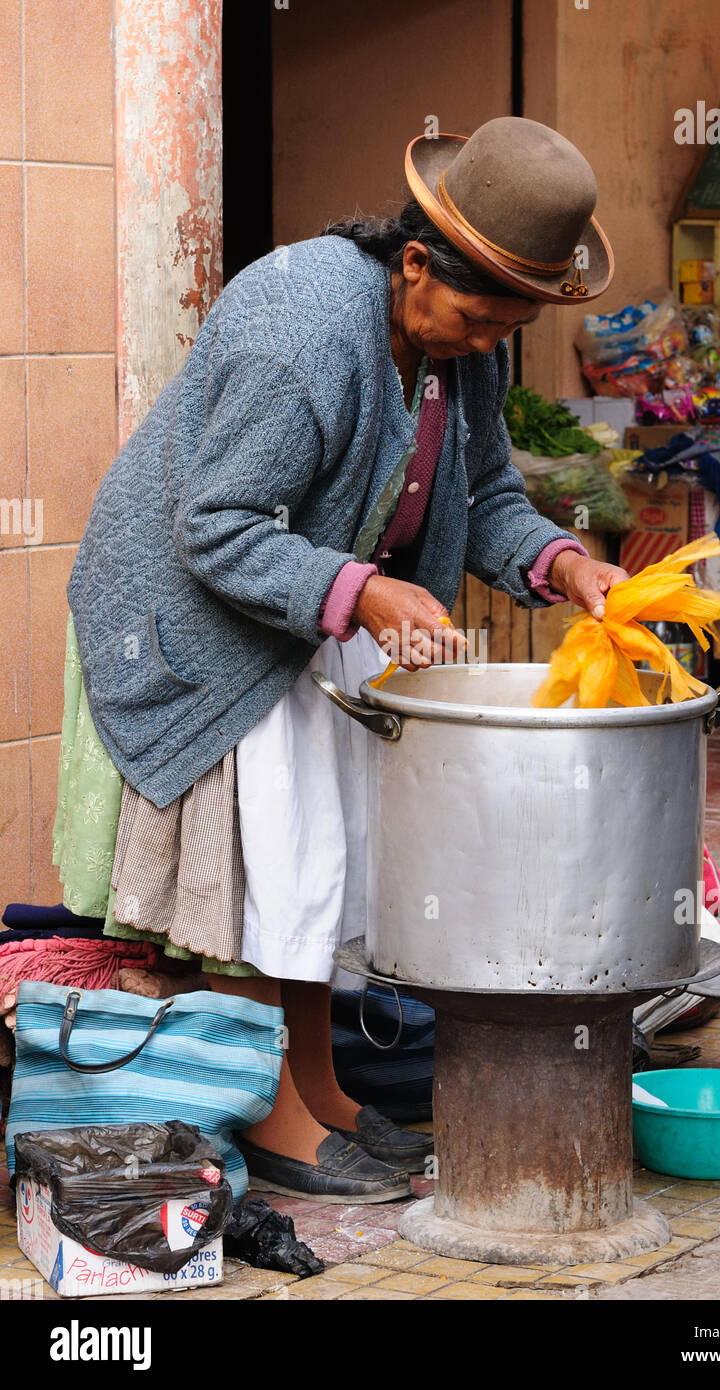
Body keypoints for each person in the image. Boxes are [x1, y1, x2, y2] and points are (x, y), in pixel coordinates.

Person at [56, 116, 627, 1202]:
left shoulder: (461, 343)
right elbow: (216, 528)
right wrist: (363, 587)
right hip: (201, 625)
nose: (483, 340)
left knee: (321, 867)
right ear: (415, 261)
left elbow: (484, 495)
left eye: (508, 321)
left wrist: (560, 566)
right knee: (268, 872)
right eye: (475, 313)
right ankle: (266, 1107)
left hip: (310, 614)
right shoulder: (303, 329)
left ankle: (316, 1084)